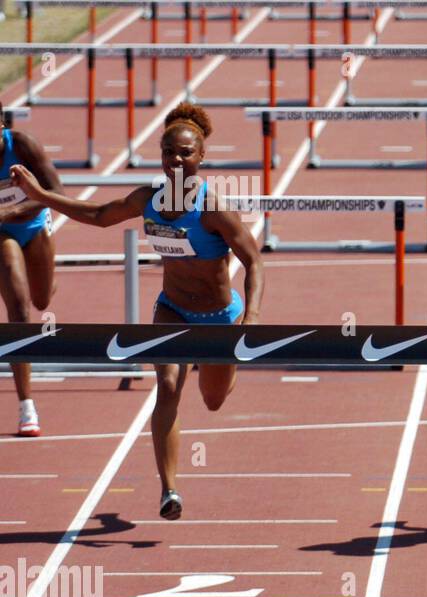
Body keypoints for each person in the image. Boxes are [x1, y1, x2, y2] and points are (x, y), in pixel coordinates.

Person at [11, 103, 265, 520]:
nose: (177, 160)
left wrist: (250, 321)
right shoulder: (147, 200)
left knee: (214, 400)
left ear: (201, 158)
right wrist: (41, 197)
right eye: (170, 152)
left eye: (186, 153)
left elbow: (254, 262)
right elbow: (96, 215)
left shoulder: (214, 209)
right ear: (161, 156)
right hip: (172, 311)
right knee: (167, 387)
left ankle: (215, 368)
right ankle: (170, 491)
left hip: (220, 319)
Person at [0, 105, 63, 436]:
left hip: (35, 225)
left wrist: (9, 211)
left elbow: (57, 193)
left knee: (41, 300)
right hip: (2, 237)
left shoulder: (23, 145)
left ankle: (46, 281)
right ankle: (26, 405)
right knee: (20, 309)